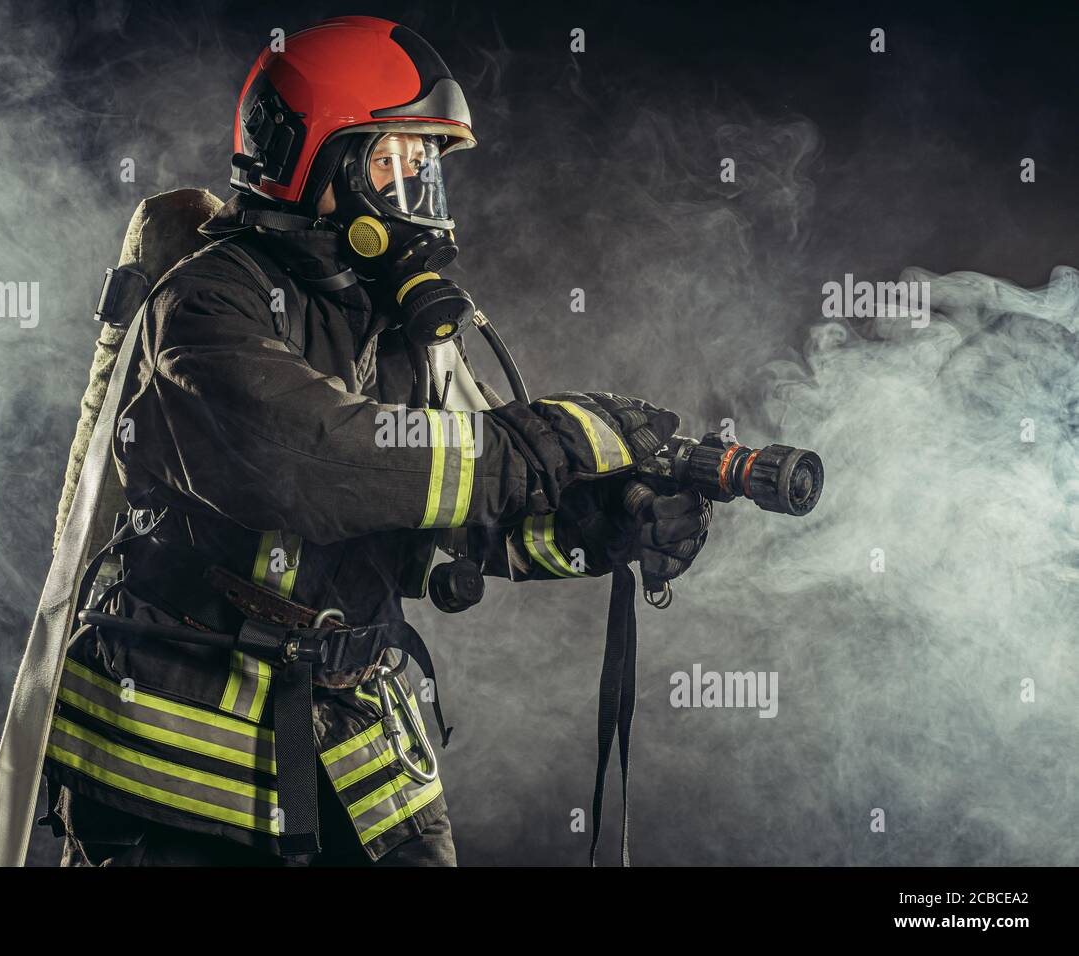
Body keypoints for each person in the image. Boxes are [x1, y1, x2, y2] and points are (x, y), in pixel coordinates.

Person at [43, 14, 712, 867]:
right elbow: (321, 464)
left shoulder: (401, 328)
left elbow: (469, 514)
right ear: (304, 160)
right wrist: (548, 440)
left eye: (422, 165)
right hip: (176, 771)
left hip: (357, 746)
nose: (411, 193)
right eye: (386, 161)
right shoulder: (205, 306)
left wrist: (602, 525)